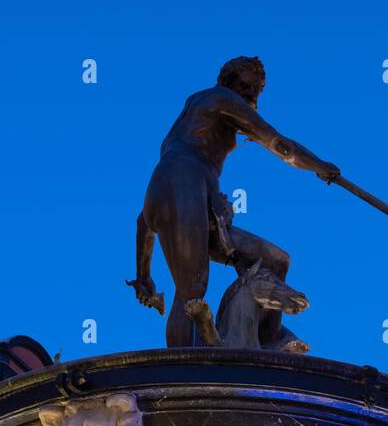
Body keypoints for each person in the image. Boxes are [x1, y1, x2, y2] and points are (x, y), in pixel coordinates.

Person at [132, 56, 340, 347]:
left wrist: (143, 276)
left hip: (191, 198)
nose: (251, 96)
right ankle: (181, 370)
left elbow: (146, 219)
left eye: (256, 90)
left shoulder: (193, 126)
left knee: (274, 261)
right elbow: (280, 145)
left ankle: (265, 349)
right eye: (245, 87)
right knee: (192, 288)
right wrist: (318, 165)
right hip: (184, 187)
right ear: (227, 83)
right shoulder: (219, 99)